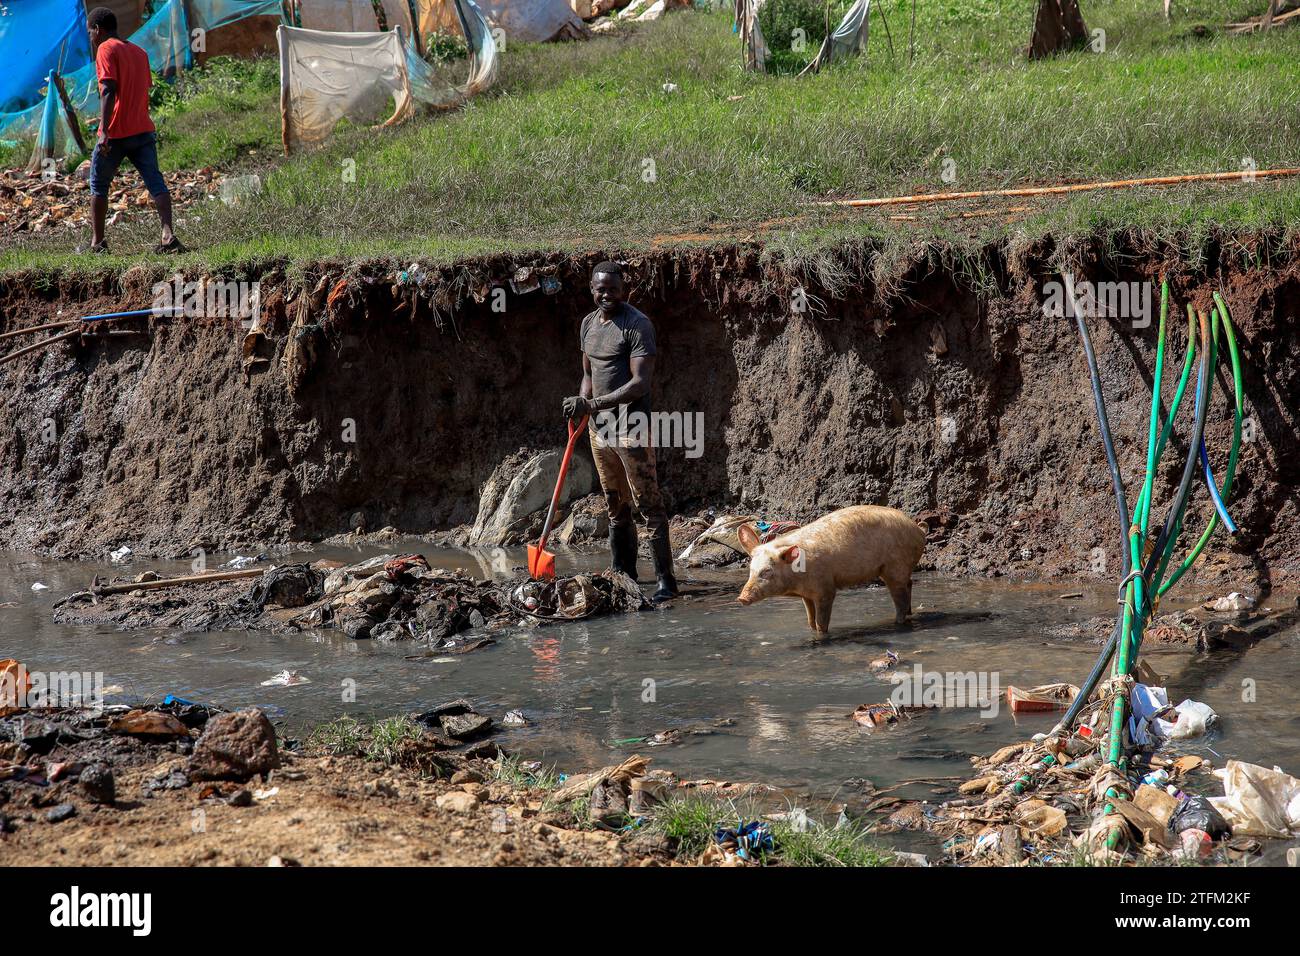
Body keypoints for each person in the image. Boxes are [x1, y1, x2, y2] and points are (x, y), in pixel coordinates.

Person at [563, 262, 678, 602]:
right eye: (600, 289)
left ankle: (665, 583)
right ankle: (623, 575)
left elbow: (639, 383)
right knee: (615, 505)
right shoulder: (588, 324)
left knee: (648, 505)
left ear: (623, 290)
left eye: (613, 289)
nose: (606, 295)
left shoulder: (637, 324)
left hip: (631, 429)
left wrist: (594, 405)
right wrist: (581, 402)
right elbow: (587, 372)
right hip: (599, 431)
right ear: (591, 288)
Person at [86, 6, 183, 254]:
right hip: (142, 130)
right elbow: (141, 91)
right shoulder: (139, 53)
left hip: (116, 133)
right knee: (155, 182)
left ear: (98, 29)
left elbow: (108, 89)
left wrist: (105, 130)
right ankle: (167, 234)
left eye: (90, 32)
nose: (91, 37)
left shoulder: (105, 49)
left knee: (98, 184)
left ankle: (97, 243)